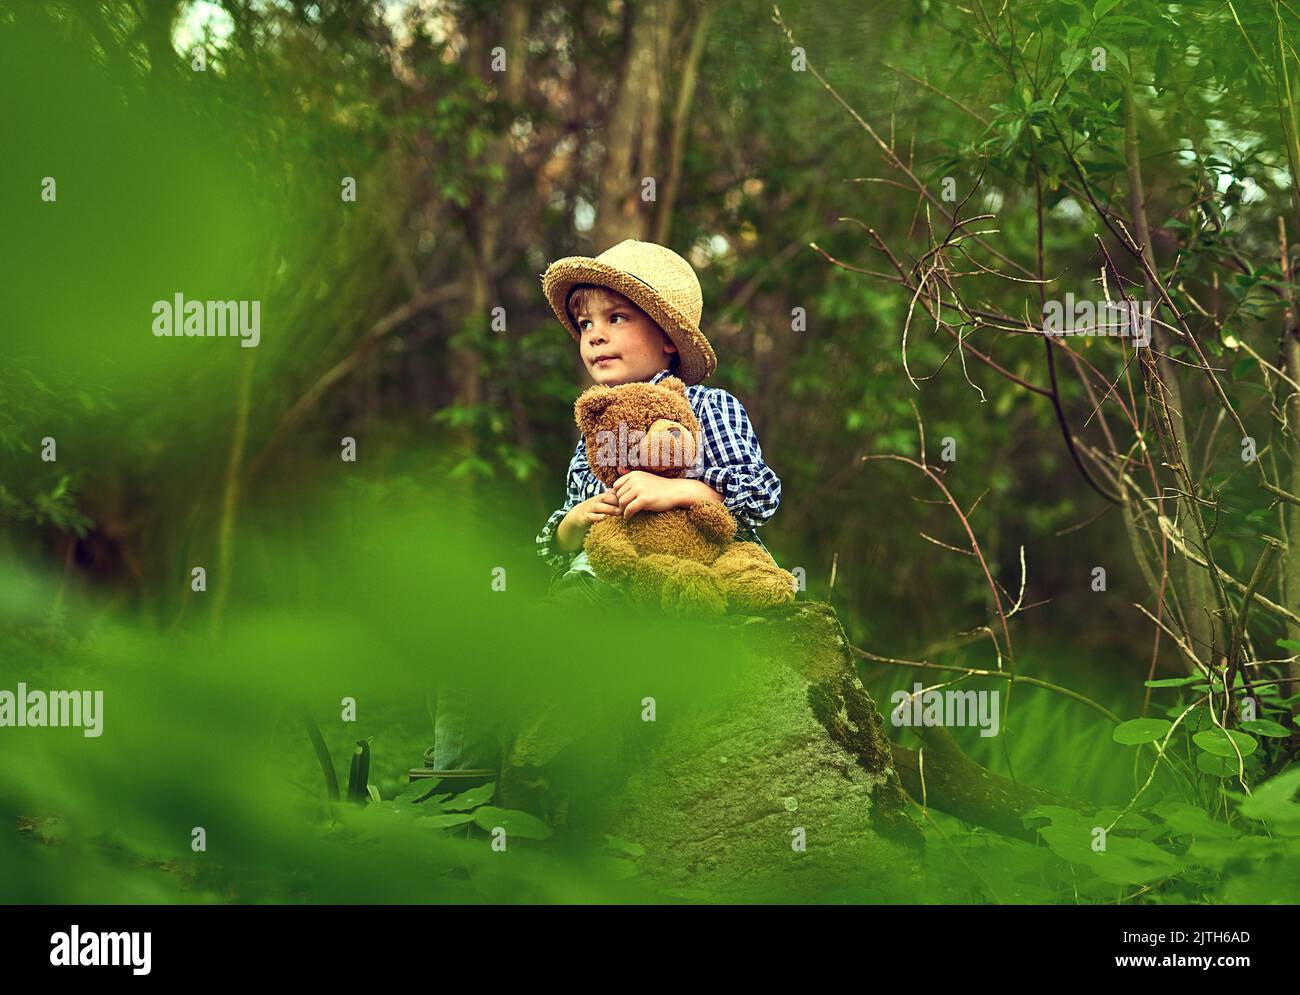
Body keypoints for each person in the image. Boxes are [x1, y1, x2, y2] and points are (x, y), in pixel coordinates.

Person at [534, 238, 783, 604]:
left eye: (616, 318)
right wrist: (573, 522)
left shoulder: (707, 406)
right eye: (585, 324)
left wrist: (679, 491)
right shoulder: (597, 423)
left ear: (668, 337)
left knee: (738, 586)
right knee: (578, 591)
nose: (594, 335)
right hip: (618, 570)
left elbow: (761, 494)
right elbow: (566, 532)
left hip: (702, 560)